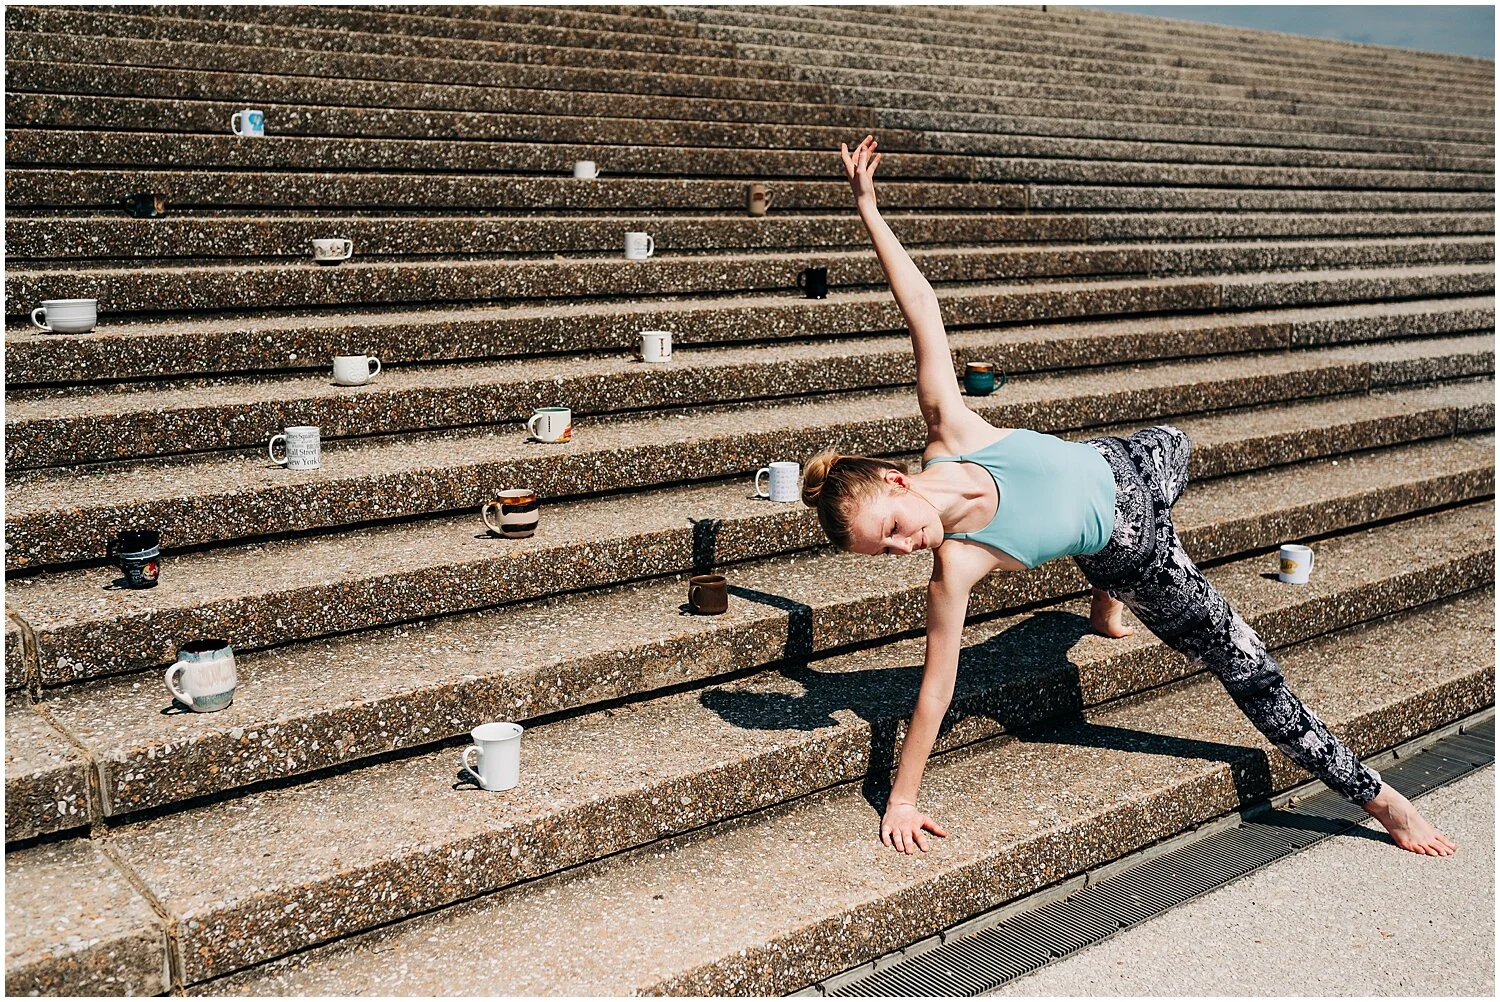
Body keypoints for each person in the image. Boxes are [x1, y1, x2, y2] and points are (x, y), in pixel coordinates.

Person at [804, 135, 1457, 858]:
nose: (906, 545)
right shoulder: (955, 571)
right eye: (886, 550)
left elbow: (921, 306)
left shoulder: (951, 427)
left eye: (894, 526)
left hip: (1130, 458)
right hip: (1139, 558)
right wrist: (901, 800)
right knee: (1250, 668)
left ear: (897, 480)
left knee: (1181, 438)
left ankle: (1102, 599)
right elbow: (935, 692)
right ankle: (1382, 799)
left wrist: (869, 208)